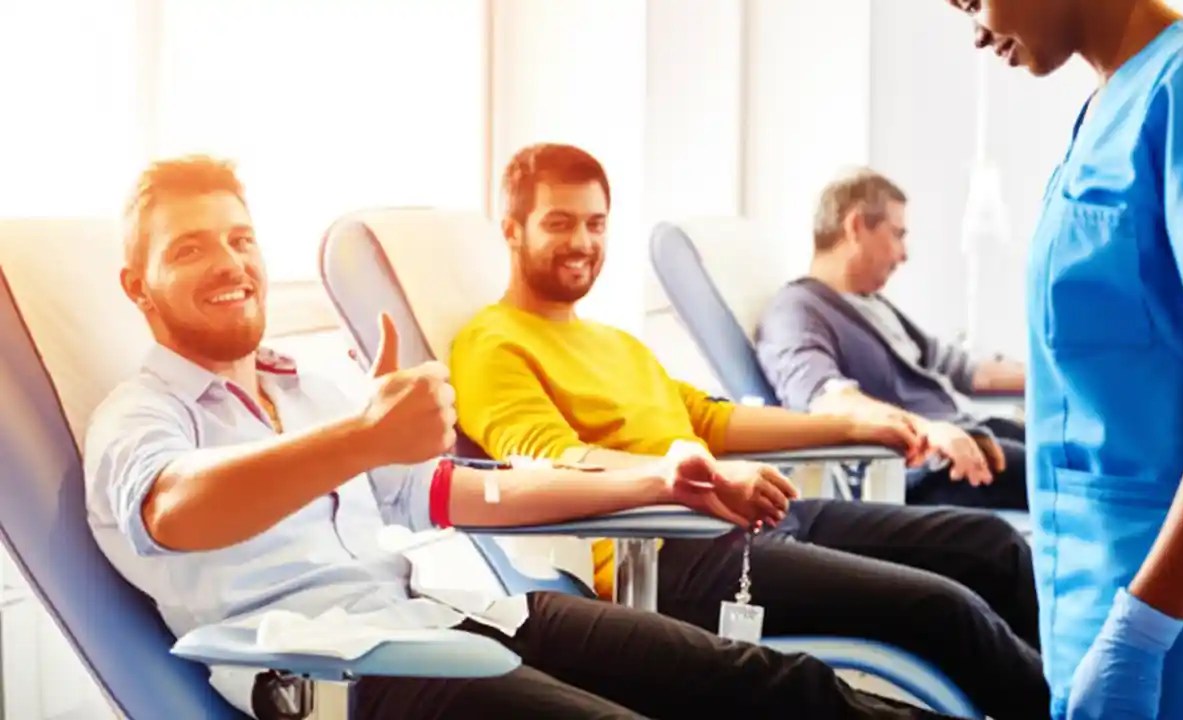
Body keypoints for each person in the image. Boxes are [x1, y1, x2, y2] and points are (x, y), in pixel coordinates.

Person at [83, 154, 955, 720]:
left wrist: (657, 485)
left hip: (457, 608)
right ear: (138, 286)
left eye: (240, 240)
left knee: (766, 684)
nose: (231, 264)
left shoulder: (307, 386)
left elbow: (459, 491)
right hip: (340, 668)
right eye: (190, 250)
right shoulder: (139, 414)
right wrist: (359, 438)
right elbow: (176, 512)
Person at [449, 142, 1051, 719]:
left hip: (754, 516)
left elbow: (712, 419)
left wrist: (859, 426)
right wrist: (692, 477)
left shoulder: (613, 341)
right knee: (945, 610)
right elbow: (550, 460)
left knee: (987, 546)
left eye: (596, 224)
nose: (582, 241)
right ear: (512, 229)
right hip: (674, 555)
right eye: (559, 223)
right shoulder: (491, 344)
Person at [943, 1, 1183, 718]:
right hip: (1101, 600)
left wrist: (1144, 629)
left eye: (973, 0)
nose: (975, 30)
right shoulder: (1104, 108)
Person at [755, 168, 1029, 510]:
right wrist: (927, 430)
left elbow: (964, 370)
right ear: (855, 226)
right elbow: (825, 401)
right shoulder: (796, 311)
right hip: (930, 465)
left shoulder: (874, 306)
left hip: (973, 431)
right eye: (897, 235)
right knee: (1073, 471)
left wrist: (1047, 379)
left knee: (1077, 448)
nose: (904, 254)